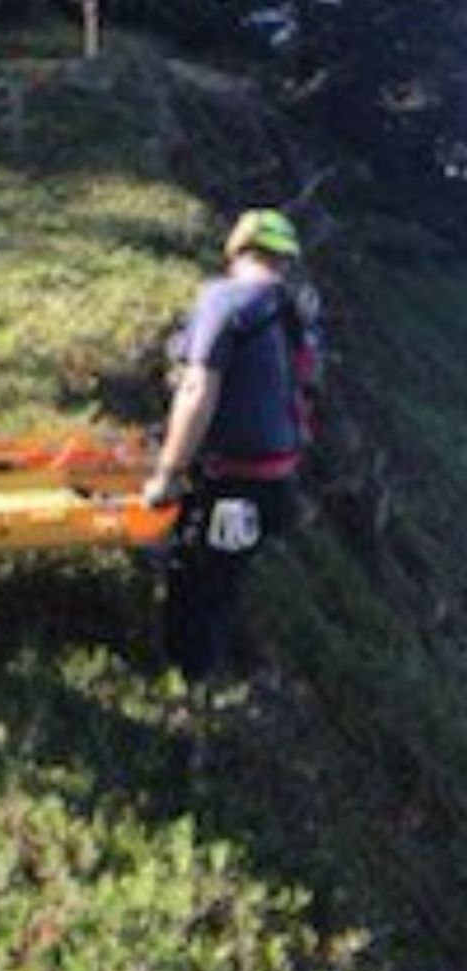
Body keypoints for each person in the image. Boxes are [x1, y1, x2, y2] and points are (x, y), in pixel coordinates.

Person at [143, 208, 322, 689]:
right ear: (284, 259)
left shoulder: (225, 299)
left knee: (196, 581)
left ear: (236, 249)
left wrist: (167, 472)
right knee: (223, 581)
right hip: (274, 482)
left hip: (229, 481)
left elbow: (198, 388)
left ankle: (186, 685)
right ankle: (202, 674)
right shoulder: (291, 312)